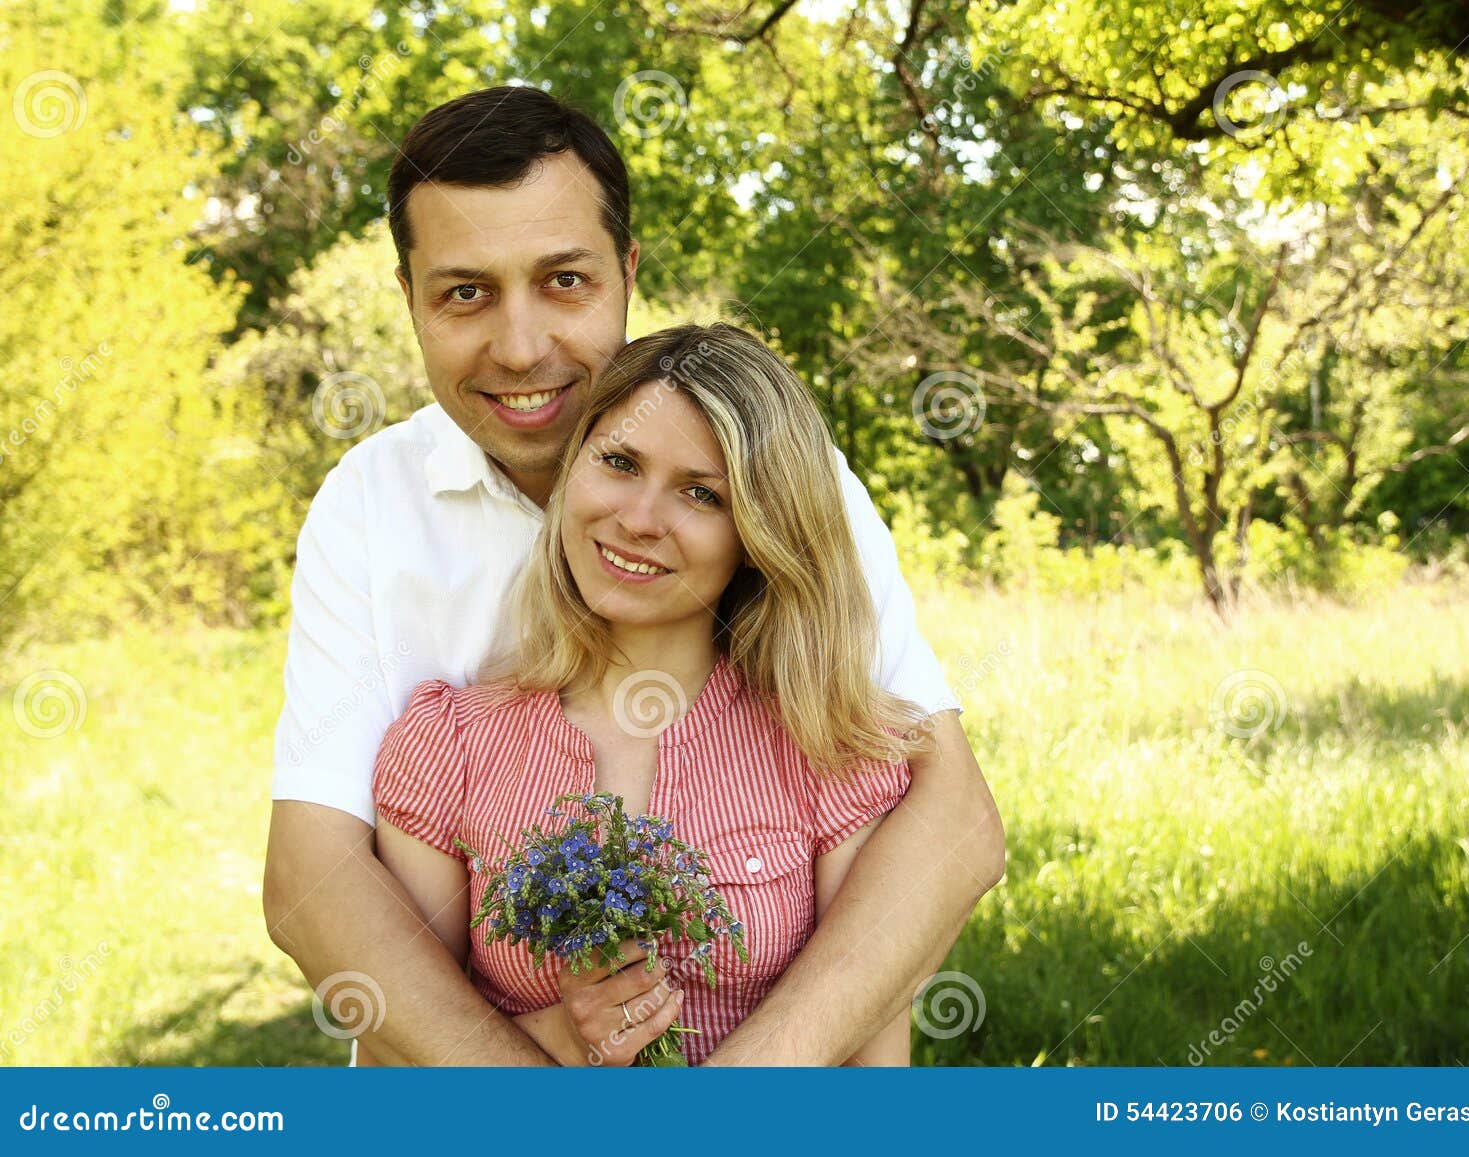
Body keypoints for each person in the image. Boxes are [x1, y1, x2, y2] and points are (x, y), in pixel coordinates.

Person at [263, 85, 1006, 1067]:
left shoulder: (785, 472)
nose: (521, 346)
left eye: (564, 281)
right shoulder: (368, 503)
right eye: (465, 293)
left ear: (627, 270)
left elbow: (952, 821)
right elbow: (313, 878)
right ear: (410, 299)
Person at [368, 323, 933, 1065]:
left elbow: (873, 1083)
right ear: (573, 469)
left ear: (757, 534)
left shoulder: (829, 748)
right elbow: (395, 1063)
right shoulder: (446, 747)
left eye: (701, 494)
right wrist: (561, 1037)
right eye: (620, 462)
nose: (638, 520)